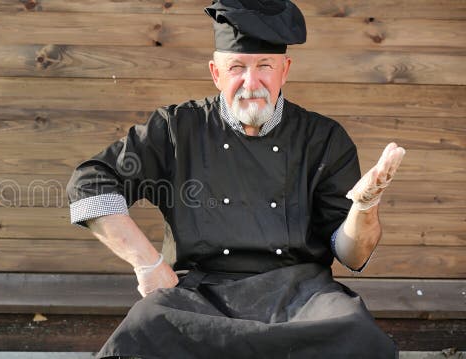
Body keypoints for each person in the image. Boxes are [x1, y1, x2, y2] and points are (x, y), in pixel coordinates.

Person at [65, 0, 405, 358]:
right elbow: (90, 183)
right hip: (198, 296)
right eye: (237, 67)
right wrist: (147, 263)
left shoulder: (324, 139)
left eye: (265, 66)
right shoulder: (177, 129)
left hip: (303, 298)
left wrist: (365, 206)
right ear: (216, 73)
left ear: (285, 70)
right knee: (143, 328)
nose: (251, 82)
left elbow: (353, 255)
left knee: (357, 332)